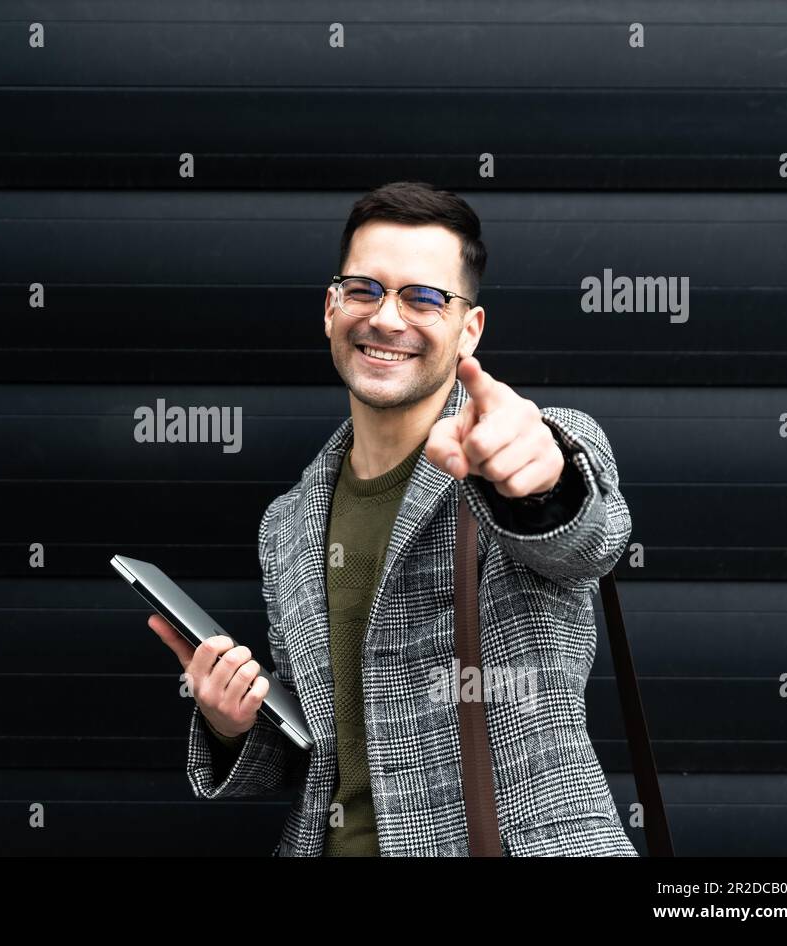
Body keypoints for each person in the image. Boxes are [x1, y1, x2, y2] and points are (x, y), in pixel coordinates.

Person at [148, 180, 638, 856]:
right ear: (330, 307)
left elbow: (587, 541)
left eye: (424, 297)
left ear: (470, 329)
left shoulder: (526, 448)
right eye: (364, 289)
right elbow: (321, 753)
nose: (386, 318)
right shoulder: (286, 524)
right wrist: (230, 721)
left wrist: (542, 481)